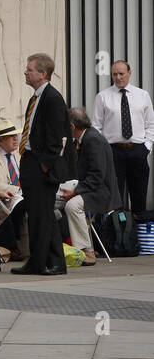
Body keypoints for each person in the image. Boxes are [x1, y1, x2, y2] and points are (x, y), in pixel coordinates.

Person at [14, 53, 69, 276]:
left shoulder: (52, 99)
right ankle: (41, 261)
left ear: (42, 73)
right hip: (30, 162)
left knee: (43, 215)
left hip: (41, 167)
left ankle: (50, 262)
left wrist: (45, 165)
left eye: (30, 69)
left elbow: (57, 137)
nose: (26, 72)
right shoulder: (35, 98)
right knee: (39, 215)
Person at [90, 60, 153, 215]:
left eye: (121, 74)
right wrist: (102, 152)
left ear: (129, 73)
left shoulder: (143, 95)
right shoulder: (103, 97)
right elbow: (96, 127)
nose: (118, 77)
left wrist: (147, 147)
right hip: (113, 152)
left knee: (139, 197)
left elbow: (150, 124)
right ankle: (116, 236)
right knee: (114, 198)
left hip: (138, 151)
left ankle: (137, 236)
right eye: (114, 74)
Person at [60, 108, 119, 265]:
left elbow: (97, 175)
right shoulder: (82, 139)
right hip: (89, 189)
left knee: (72, 206)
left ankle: (87, 251)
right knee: (52, 201)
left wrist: (75, 192)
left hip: (101, 192)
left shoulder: (93, 140)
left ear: (72, 127)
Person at [0, 119, 29, 260]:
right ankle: (11, 247)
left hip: (17, 195)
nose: (16, 139)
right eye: (12, 136)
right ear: (1, 140)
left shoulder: (16, 154)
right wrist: (20, 189)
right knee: (20, 203)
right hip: (0, 196)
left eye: (16, 135)